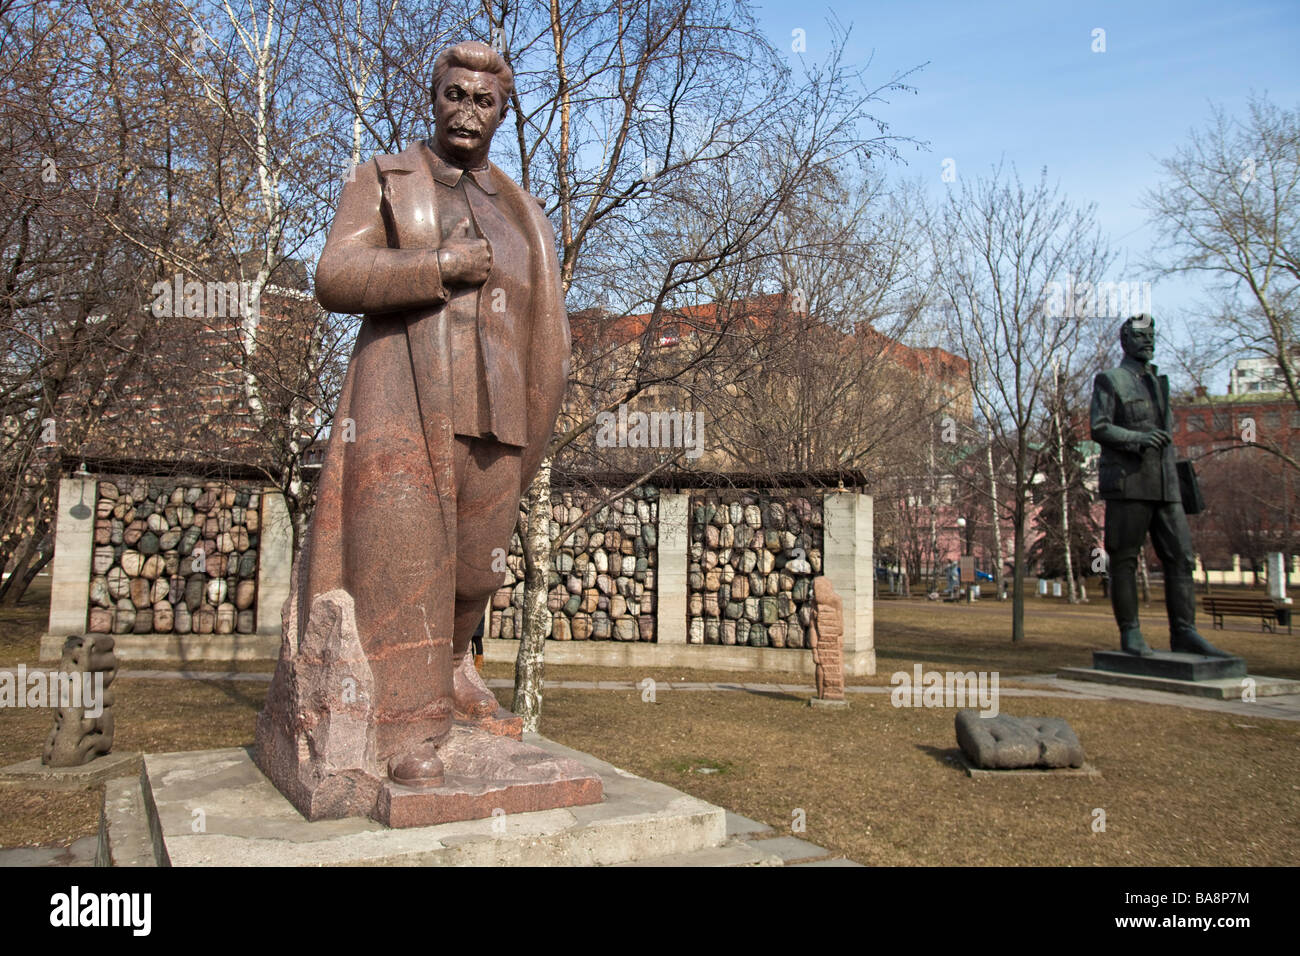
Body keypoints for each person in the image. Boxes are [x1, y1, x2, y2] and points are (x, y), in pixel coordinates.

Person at [278, 40, 570, 789]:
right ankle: (405, 733)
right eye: (455, 94)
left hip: (498, 409)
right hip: (407, 402)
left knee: (477, 566)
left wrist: (543, 408)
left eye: (484, 100)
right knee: (407, 568)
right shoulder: (382, 177)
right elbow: (335, 274)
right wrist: (436, 268)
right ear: (434, 95)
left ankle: (453, 670)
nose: (467, 110)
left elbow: (544, 321)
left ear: (503, 111)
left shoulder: (523, 209)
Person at [1090, 315, 1229, 658]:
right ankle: (1131, 633)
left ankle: (1184, 632)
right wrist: (1137, 438)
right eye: (1140, 335)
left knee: (1181, 557)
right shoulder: (1111, 380)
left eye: (1151, 335)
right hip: (1130, 481)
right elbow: (1099, 427)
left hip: (1167, 484)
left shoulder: (1159, 381)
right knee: (1123, 559)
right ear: (1124, 339)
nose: (1148, 340)